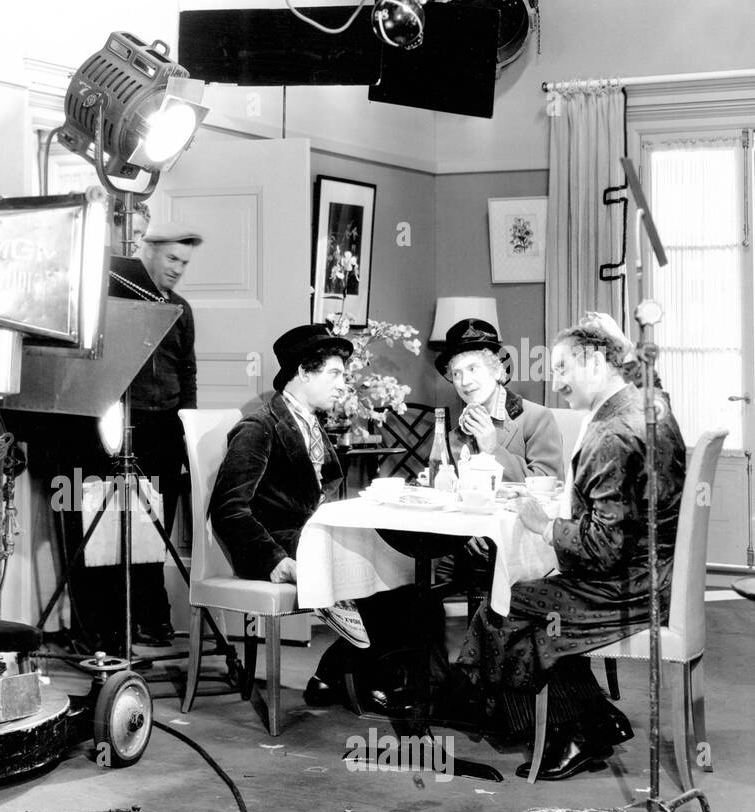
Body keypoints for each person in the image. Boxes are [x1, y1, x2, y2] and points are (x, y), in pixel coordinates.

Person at [445, 312, 687, 780]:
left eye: (562, 369)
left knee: (510, 604)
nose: (555, 384)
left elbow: (601, 549)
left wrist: (544, 527)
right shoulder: (649, 405)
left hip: (631, 592)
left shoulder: (611, 434)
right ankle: (587, 718)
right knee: (526, 600)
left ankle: (576, 727)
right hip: (655, 576)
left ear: (596, 362)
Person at [210, 323, 400, 710]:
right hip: (280, 547)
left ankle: (339, 678)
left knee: (397, 567)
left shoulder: (312, 424)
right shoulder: (259, 427)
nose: (342, 385)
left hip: (313, 539)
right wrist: (274, 561)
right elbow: (229, 509)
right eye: (333, 374)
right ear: (302, 372)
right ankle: (363, 681)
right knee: (379, 573)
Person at [99, 220, 203, 647]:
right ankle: (122, 621)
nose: (178, 268)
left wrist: (189, 430)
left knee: (157, 528)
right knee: (122, 525)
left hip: (168, 427)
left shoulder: (181, 309)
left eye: (184, 262)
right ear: (149, 252)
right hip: (125, 426)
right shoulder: (119, 299)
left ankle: (154, 615)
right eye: (172, 258)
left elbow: (188, 372)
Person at [436, 317, 561, 481]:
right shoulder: (459, 432)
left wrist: (493, 449)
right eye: (456, 374)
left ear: (496, 371)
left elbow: (550, 487)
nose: (464, 382)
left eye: (473, 369)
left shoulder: (537, 418)